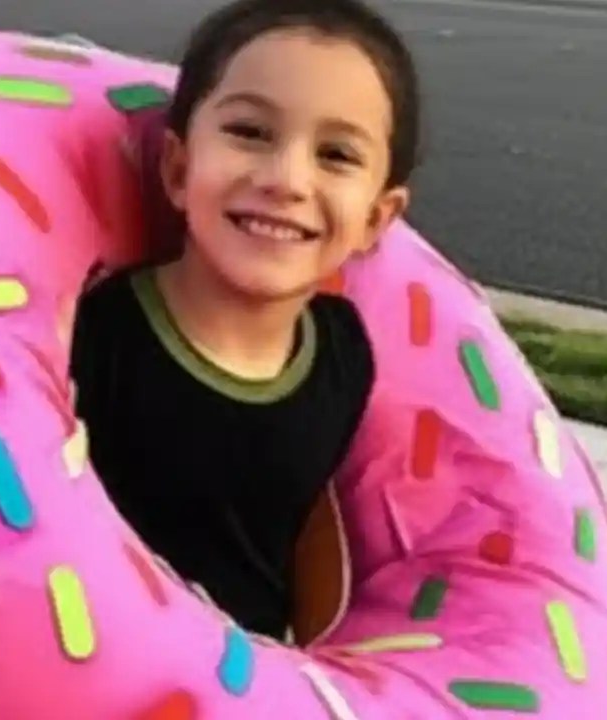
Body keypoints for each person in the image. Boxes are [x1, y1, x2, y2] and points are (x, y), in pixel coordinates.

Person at [68, 0, 421, 642]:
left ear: (376, 218)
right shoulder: (97, 337)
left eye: (336, 154)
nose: (285, 179)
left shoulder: (344, 352)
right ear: (178, 169)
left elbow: (310, 523)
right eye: (250, 133)